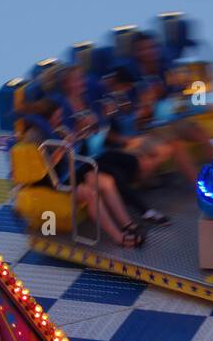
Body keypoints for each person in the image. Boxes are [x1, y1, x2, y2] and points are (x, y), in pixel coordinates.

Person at [19, 98, 145, 246]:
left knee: (106, 181)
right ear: (49, 116)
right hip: (52, 182)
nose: (60, 119)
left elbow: (68, 154)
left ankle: (127, 224)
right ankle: (119, 238)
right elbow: (44, 168)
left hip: (69, 172)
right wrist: (64, 147)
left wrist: (77, 137)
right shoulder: (35, 136)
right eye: (57, 116)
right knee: (91, 194)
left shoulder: (54, 130)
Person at [57, 65, 169, 225]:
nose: (81, 82)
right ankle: (146, 211)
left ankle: (126, 198)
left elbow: (98, 127)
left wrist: (102, 117)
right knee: (114, 175)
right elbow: (66, 140)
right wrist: (79, 130)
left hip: (97, 150)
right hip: (80, 160)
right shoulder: (63, 108)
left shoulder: (86, 100)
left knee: (132, 162)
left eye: (81, 79)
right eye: (76, 80)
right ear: (67, 84)